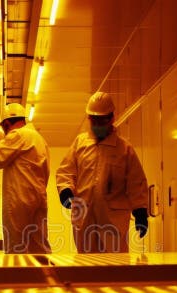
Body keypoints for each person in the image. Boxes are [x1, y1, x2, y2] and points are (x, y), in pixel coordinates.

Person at [56, 92, 149, 253]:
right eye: (94, 120)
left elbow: (136, 183)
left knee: (114, 266)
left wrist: (140, 210)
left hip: (113, 220)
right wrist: (65, 190)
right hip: (84, 218)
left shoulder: (124, 149)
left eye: (101, 120)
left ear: (111, 118)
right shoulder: (80, 143)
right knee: (85, 265)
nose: (97, 124)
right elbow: (66, 171)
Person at [0, 103, 52, 253]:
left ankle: (16, 276)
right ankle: (45, 275)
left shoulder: (19, 134)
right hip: (39, 197)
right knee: (39, 245)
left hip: (19, 199)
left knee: (16, 246)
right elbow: (46, 172)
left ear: (7, 124)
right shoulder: (40, 140)